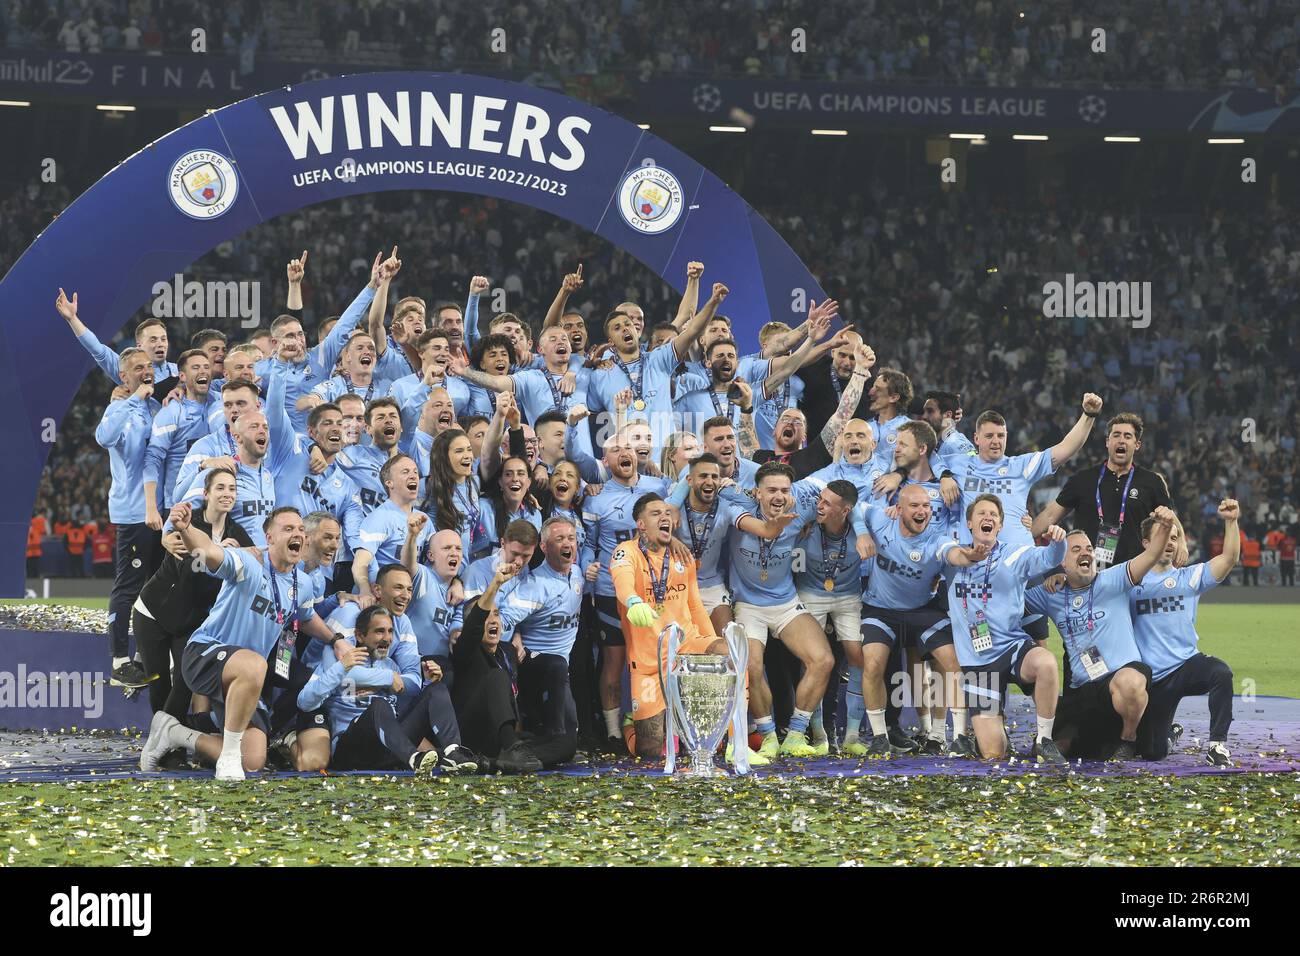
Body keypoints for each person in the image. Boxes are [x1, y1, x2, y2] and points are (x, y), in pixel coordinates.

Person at [140, 506, 339, 780]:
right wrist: (186, 529)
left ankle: (173, 732)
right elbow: (209, 551)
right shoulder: (249, 562)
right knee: (255, 664)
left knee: (253, 762)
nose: (297, 534)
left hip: (246, 675)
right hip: (205, 654)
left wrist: (336, 640)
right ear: (269, 537)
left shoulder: (302, 583)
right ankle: (229, 756)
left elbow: (305, 618)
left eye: (300, 529)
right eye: (288, 528)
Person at [1025, 508, 1177, 761]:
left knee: (1153, 747)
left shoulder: (1114, 579)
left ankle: (1129, 739)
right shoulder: (1051, 593)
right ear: (1061, 562)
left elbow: (1151, 554)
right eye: (1076, 550)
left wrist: (1165, 525)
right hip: (1083, 691)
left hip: (1121, 679)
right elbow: (1012, 598)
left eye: (1088, 548)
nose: (1085, 552)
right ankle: (1113, 739)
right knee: (1060, 748)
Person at [938, 494, 1069, 764]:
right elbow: (933, 554)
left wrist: (1059, 541)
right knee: (993, 753)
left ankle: (1044, 740)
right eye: (981, 513)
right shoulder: (953, 557)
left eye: (994, 515)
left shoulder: (1014, 554)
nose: (988, 517)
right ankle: (995, 732)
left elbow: (1048, 558)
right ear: (969, 523)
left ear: (999, 525)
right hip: (978, 664)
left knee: (1045, 662)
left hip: (1012, 648)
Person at [610, 493, 735, 761]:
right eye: (655, 514)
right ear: (641, 524)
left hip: (687, 646)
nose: (664, 517)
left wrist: (710, 642)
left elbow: (695, 606)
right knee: (651, 750)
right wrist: (633, 602)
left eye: (667, 513)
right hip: (649, 660)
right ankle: (632, 724)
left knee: (726, 653)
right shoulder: (625, 551)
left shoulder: (682, 555)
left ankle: (737, 740)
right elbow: (622, 582)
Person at [728, 461, 835, 758]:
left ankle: (796, 735)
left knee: (823, 660)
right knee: (751, 666)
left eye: (785, 491)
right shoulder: (738, 509)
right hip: (747, 605)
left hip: (785, 602)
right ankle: (768, 737)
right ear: (757, 493)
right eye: (772, 490)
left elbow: (836, 487)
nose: (779, 496)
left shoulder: (802, 508)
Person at [134, 468, 253, 733]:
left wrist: (240, 556)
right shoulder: (189, 524)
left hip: (190, 621)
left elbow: (252, 566)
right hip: (152, 613)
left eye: (232, 489)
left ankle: (166, 739)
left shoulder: (237, 532)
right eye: (220, 488)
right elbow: (190, 573)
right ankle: (167, 745)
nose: (227, 494)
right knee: (159, 683)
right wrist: (221, 553)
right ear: (206, 494)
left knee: (185, 682)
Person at [578, 432, 674, 749]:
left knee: (658, 661)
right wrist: (587, 566)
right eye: (616, 449)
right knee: (614, 661)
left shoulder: (659, 488)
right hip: (612, 592)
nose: (625, 452)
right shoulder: (596, 499)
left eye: (629, 448)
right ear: (605, 461)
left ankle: (662, 728)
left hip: (656, 589)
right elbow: (589, 545)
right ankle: (613, 733)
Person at [298, 603, 474, 775]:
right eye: (379, 631)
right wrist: (341, 669)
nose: (387, 638)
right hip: (351, 748)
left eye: (390, 631)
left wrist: (428, 682)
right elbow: (304, 702)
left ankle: (454, 753)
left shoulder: (392, 666)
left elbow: (406, 709)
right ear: (360, 635)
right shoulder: (339, 663)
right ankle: (413, 758)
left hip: (390, 747)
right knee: (379, 705)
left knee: (437, 690)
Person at [851, 484, 963, 755]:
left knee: (950, 661)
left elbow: (952, 552)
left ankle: (941, 735)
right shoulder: (881, 519)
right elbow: (853, 505)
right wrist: (862, 533)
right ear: (899, 509)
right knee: (873, 663)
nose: (922, 511)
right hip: (880, 610)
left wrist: (969, 555)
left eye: (926, 506)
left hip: (922, 609)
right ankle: (880, 737)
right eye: (914, 506)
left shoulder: (936, 538)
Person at [1132, 500, 1240, 765]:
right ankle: (1169, 736)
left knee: (1220, 673)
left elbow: (1228, 559)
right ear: (1146, 543)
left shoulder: (1188, 577)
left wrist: (1231, 521)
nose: (1170, 542)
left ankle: (1217, 746)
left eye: (1174, 537)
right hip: (1154, 677)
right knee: (1152, 753)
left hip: (1186, 664)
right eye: (1163, 536)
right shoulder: (1130, 581)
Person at [476, 516, 586, 766]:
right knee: (557, 666)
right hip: (532, 663)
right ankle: (551, 742)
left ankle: (535, 752)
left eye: (571, 538)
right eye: (559, 539)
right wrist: (514, 639)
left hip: (561, 668)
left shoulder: (578, 574)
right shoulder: (535, 585)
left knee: (570, 739)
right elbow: (502, 619)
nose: (567, 543)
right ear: (544, 547)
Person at [1031, 413, 1179, 571]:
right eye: (1116, 435)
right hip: (1089, 572)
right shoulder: (1082, 479)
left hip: (1135, 573)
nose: (1121, 440)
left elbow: (1170, 518)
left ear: (1137, 445)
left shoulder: (1152, 482)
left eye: (1127, 436)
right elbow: (1050, 515)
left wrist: (1181, 544)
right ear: (1108, 442)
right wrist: (1021, 541)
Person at [94, 347, 162, 688]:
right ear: (124, 376)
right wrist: (132, 399)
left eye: (149, 366)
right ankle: (119, 661)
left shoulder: (155, 407)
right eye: (138, 368)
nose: (146, 371)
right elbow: (103, 437)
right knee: (128, 586)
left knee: (157, 586)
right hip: (134, 514)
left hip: (160, 512)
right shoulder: (121, 407)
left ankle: (144, 656)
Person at [257, 250, 382, 433]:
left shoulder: (321, 355)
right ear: (275, 344)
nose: (298, 341)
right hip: (285, 443)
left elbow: (345, 323)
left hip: (324, 439)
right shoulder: (262, 369)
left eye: (301, 334)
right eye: (290, 336)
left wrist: (372, 287)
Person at [352, 454, 432, 587]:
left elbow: (439, 558)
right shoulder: (379, 518)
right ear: (389, 483)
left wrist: (456, 582)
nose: (413, 476)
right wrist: (365, 591)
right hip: (382, 592)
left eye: (415, 472)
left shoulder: (424, 519)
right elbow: (360, 564)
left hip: (410, 592)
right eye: (405, 472)